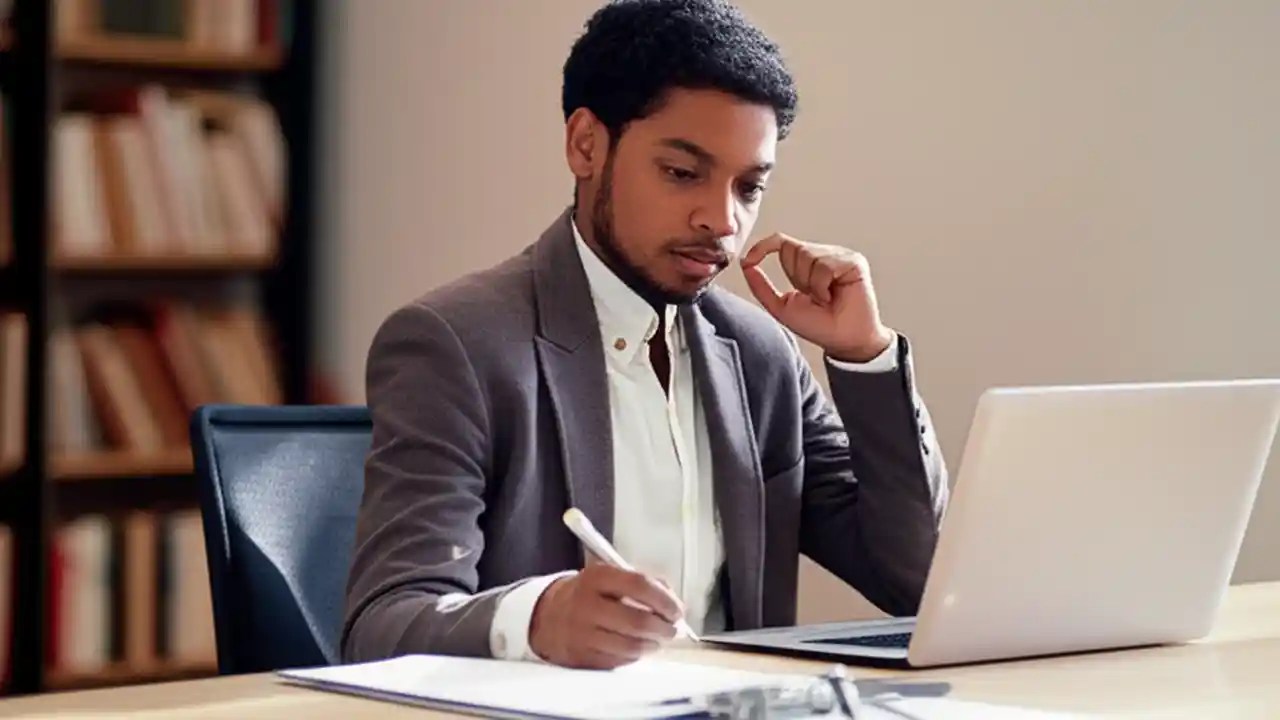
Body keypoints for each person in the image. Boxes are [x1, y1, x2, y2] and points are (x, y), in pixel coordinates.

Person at [342, 0, 948, 670]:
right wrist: (539, 621)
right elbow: (381, 624)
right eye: (682, 173)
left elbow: (918, 581)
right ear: (585, 145)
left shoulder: (759, 356)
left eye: (748, 188)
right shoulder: (454, 344)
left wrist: (864, 357)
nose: (721, 220)